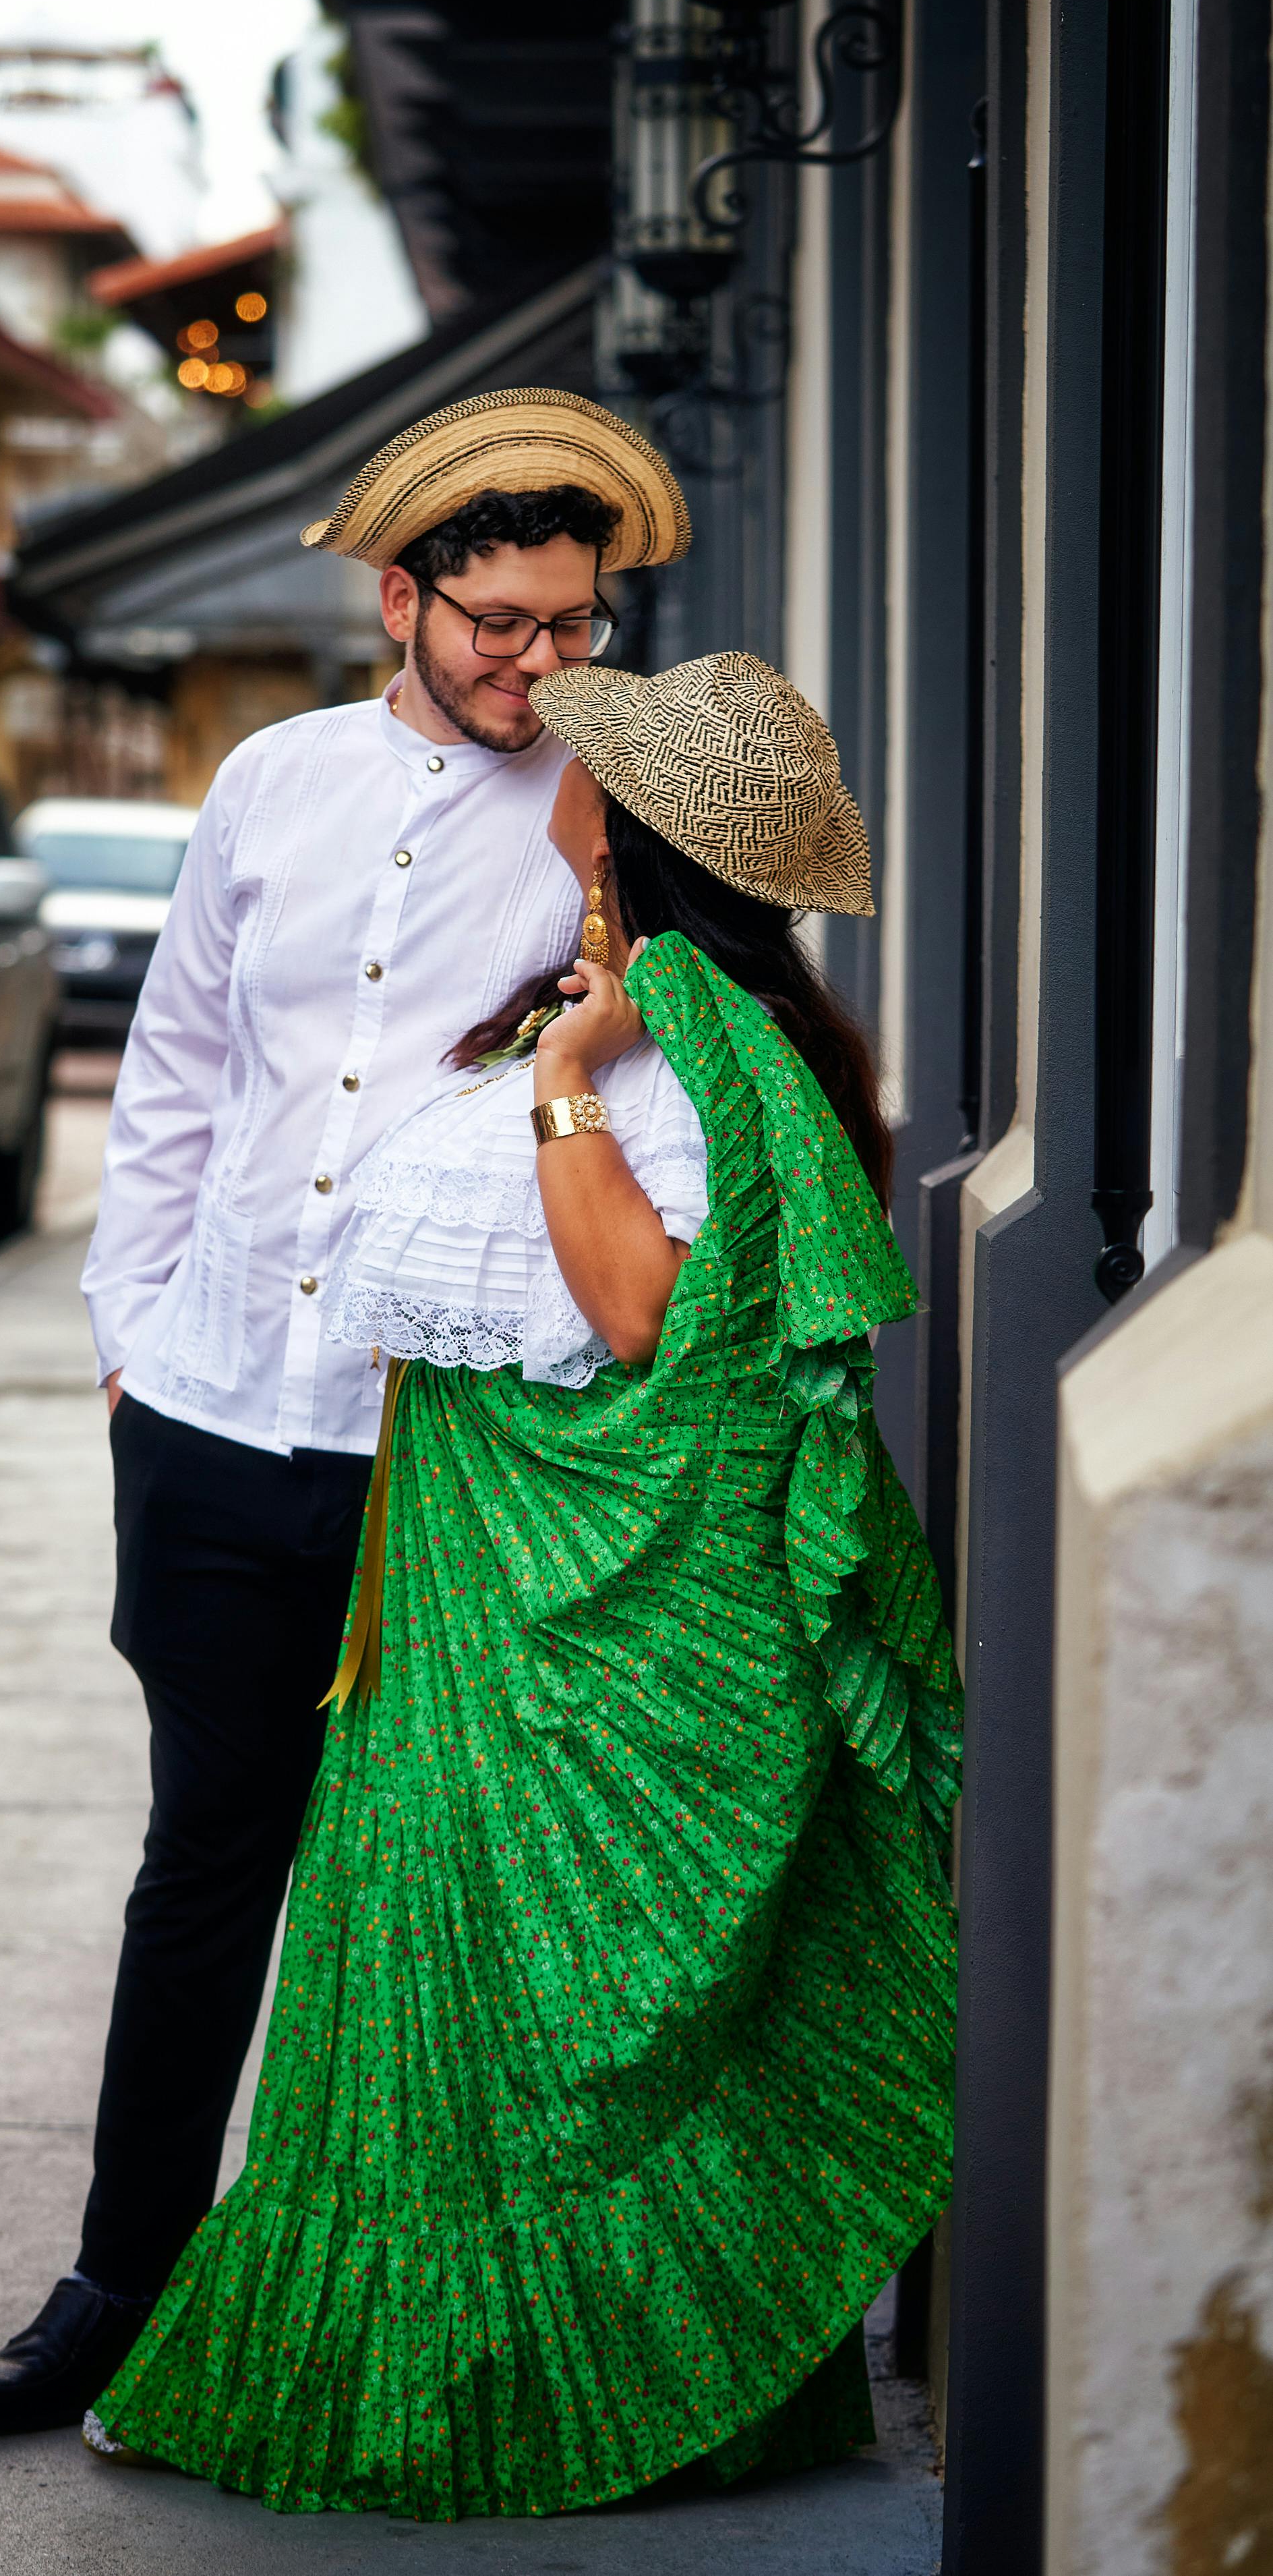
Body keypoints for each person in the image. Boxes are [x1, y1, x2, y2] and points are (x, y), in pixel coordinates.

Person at [81, 651, 964, 2518]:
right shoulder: (643, 992)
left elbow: (643, 1309)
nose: (561, 746)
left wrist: (564, 1076)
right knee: (417, 1965)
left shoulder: (682, 1031)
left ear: (625, 827)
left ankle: (517, 2389)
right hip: (460, 1575)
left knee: (504, 2000)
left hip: (566, 1614)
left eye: (601, 754)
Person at [0, 391, 690, 2439]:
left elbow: (648, 1096)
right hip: (203, 1416)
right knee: (204, 1866)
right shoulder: (268, 781)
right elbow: (171, 1074)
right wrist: (126, 1332)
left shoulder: (606, 819)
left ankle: (429, 2319)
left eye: (574, 626)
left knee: (435, 1890)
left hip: (448, 1456)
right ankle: (120, 2282)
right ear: (401, 595)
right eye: (503, 621)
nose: (540, 662)